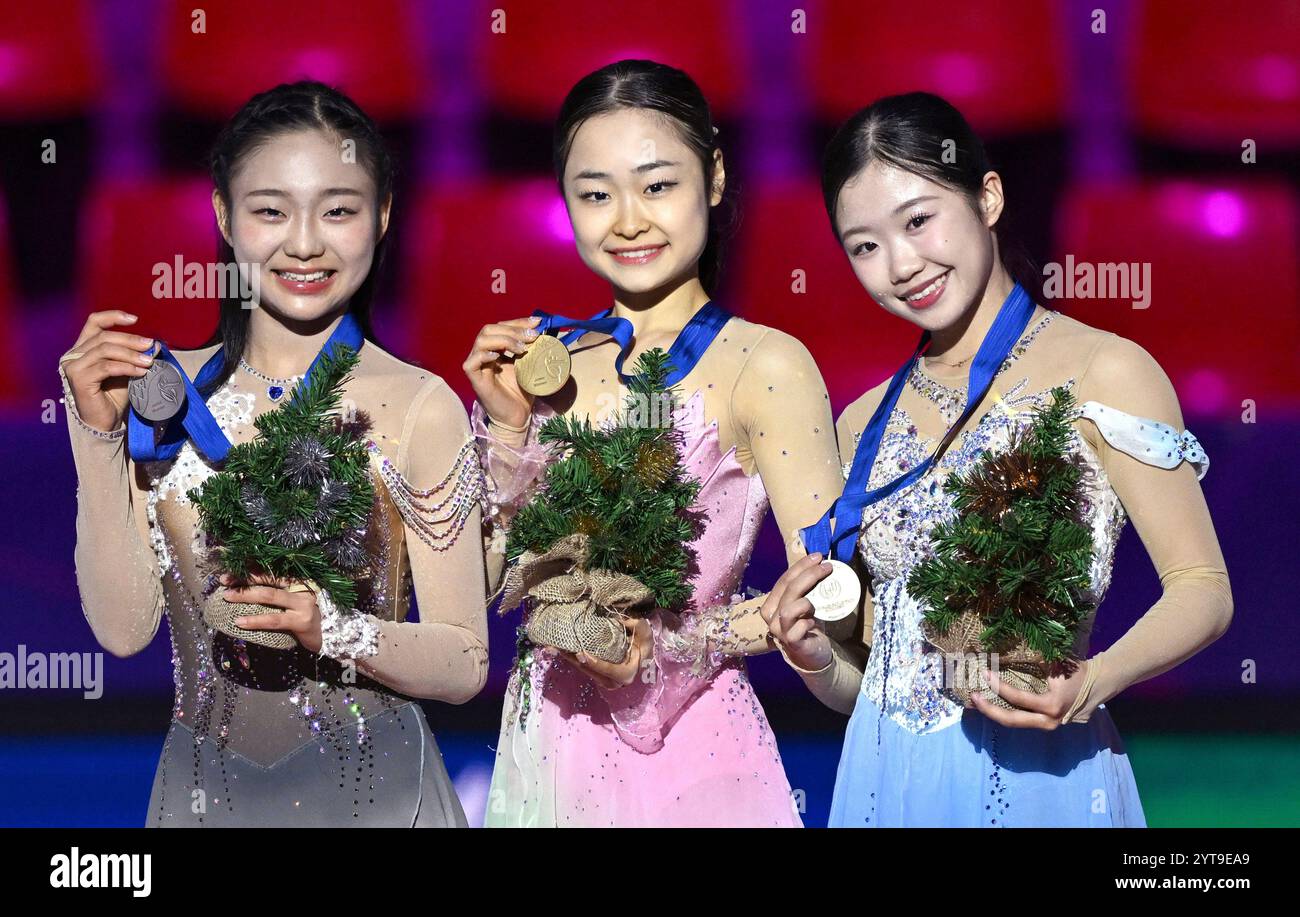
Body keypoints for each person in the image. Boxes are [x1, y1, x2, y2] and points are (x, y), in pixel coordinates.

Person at [765, 92, 1233, 827]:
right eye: (865, 245)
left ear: (987, 196)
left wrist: (1091, 680)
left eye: (918, 219)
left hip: (1042, 776)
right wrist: (815, 657)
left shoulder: (1106, 370)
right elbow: (879, 684)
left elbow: (1203, 588)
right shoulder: (859, 424)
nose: (901, 264)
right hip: (884, 784)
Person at [59, 81, 488, 826]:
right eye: (270, 210)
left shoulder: (421, 405)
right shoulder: (164, 396)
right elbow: (123, 631)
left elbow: (465, 663)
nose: (304, 242)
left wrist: (335, 628)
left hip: (382, 802)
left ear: (383, 216)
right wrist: (94, 435)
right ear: (224, 216)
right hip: (204, 800)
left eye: (339, 209)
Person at [466, 60, 843, 827]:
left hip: (694, 754)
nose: (628, 219)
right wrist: (504, 426)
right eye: (596, 194)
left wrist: (673, 644)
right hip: (547, 745)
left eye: (657, 185)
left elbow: (830, 592)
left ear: (713, 177)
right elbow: (478, 593)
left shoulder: (764, 363)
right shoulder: (549, 363)